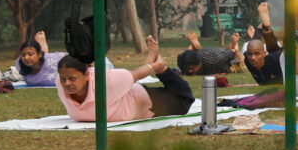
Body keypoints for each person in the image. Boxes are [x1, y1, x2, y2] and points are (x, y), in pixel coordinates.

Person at [56, 36, 195, 122]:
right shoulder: (59, 81)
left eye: (72, 79)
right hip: (120, 96)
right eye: (63, 79)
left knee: (185, 99)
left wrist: (155, 66)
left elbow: (136, 74)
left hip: (143, 100)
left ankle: (161, 68)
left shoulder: (105, 81)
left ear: (87, 75)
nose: (67, 83)